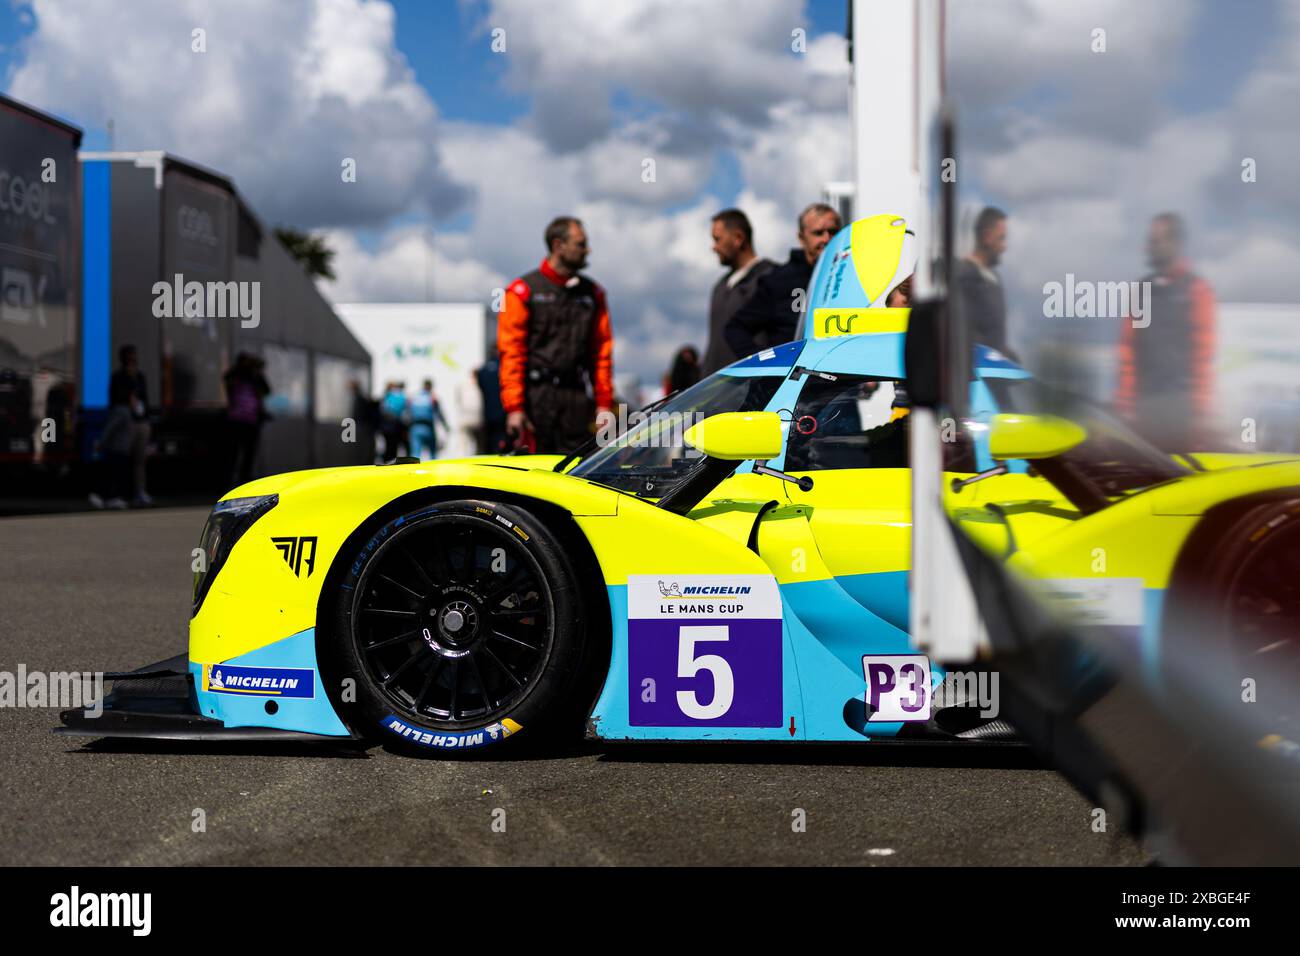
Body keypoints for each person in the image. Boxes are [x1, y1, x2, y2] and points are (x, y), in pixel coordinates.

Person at [498, 216, 614, 453]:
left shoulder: (593, 294)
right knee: (530, 476)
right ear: (559, 245)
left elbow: (602, 352)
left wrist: (604, 404)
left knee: (577, 472)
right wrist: (515, 408)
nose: (587, 250)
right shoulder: (522, 291)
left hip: (576, 399)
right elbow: (511, 351)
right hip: (535, 401)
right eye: (581, 244)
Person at [1115, 212, 1217, 452]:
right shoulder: (1140, 290)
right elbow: (1128, 349)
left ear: (1175, 244)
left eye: (1154, 241)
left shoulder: (1197, 291)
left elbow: (1204, 355)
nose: (1147, 247)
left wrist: (1200, 411)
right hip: (1144, 408)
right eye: (1149, 241)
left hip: (1181, 410)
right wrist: (1125, 401)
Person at [725, 203, 841, 360]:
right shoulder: (778, 281)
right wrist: (766, 364)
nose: (827, 238)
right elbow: (735, 328)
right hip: (796, 381)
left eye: (833, 232)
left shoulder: (852, 276)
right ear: (802, 238)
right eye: (818, 233)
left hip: (840, 380)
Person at [702, 209, 776, 374]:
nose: (714, 247)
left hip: (753, 390)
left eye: (717, 239)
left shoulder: (771, 277)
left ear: (738, 238)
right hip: (717, 391)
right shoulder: (720, 286)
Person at [955, 207, 1011, 354]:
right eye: (1001, 238)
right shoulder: (965, 276)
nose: (1004, 247)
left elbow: (995, 337)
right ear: (987, 237)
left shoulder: (993, 279)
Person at [109, 344, 152, 505]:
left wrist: (146, 418)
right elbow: (115, 399)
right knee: (121, 459)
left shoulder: (139, 376)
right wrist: (128, 398)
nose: (133, 360)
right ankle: (119, 494)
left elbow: (144, 398)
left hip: (141, 422)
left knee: (140, 461)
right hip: (127, 423)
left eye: (134, 356)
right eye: (130, 356)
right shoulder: (118, 377)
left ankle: (139, 492)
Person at [224, 352, 270, 487]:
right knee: (235, 453)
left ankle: (244, 479)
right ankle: (232, 479)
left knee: (247, 453)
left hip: (248, 421)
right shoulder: (235, 377)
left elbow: (266, 390)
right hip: (238, 420)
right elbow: (227, 378)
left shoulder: (254, 378)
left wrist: (256, 372)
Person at [88, 378, 134, 510]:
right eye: (133, 396)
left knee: (116, 474)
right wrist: (102, 443)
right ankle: (103, 496)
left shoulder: (124, 411)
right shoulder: (122, 411)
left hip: (121, 449)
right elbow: (110, 428)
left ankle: (111, 498)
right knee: (114, 474)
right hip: (117, 449)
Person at [408, 379, 449, 461]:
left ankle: (413, 472)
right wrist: (446, 427)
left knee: (415, 455)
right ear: (430, 386)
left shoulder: (414, 397)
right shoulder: (432, 398)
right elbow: (439, 414)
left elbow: (407, 413)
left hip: (415, 428)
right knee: (433, 455)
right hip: (428, 428)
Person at [475, 350, 507, 453]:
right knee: (502, 444)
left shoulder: (482, 371)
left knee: (489, 444)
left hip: (487, 413)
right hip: (503, 412)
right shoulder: (503, 369)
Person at [379, 381, 409, 460]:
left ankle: (387, 460)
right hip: (394, 426)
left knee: (389, 446)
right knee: (393, 446)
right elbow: (404, 413)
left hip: (387, 426)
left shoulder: (387, 396)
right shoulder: (400, 397)